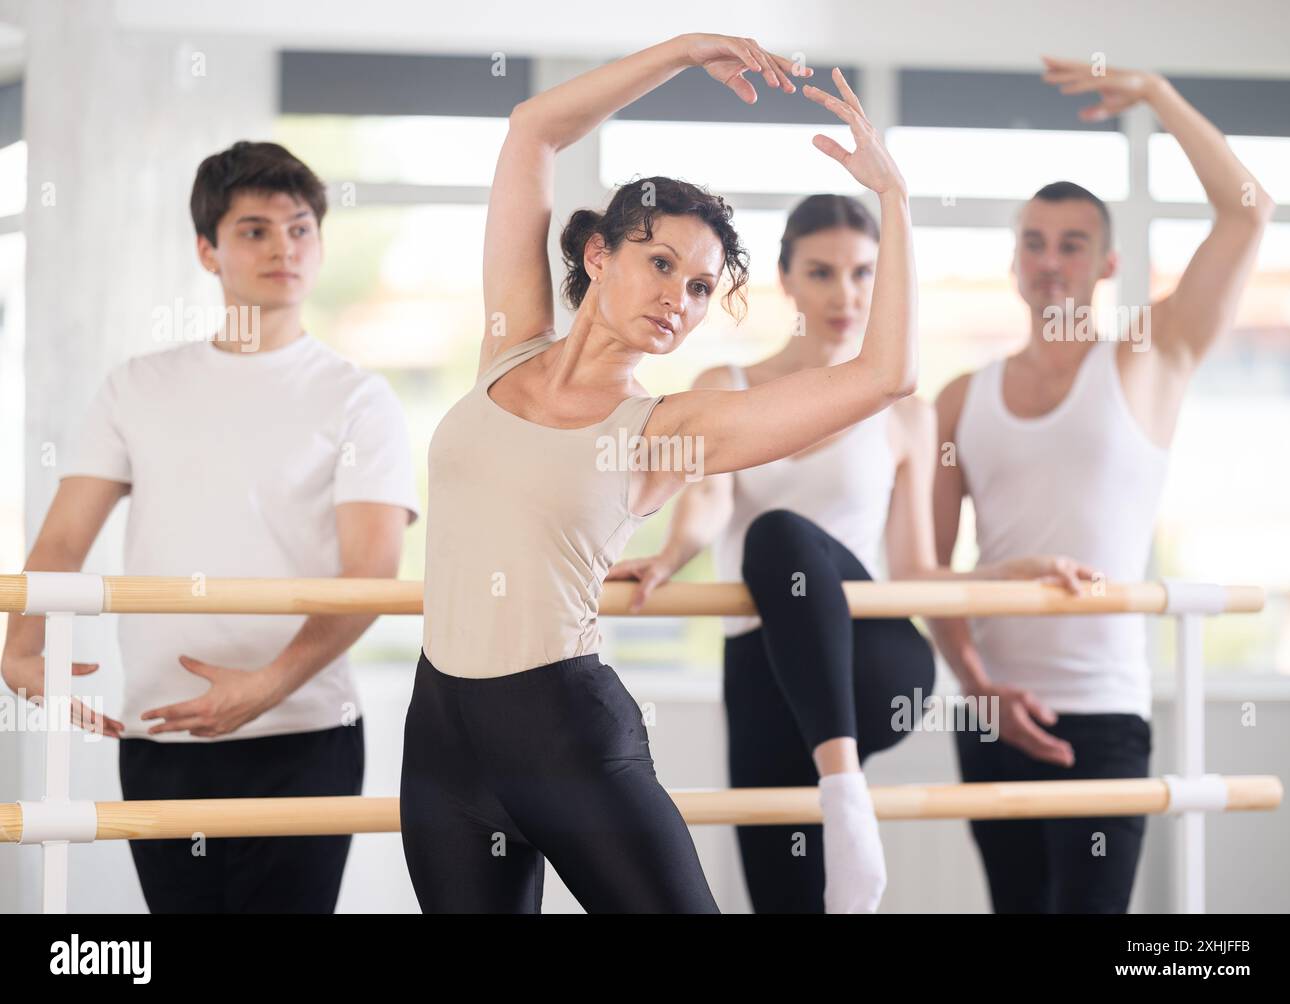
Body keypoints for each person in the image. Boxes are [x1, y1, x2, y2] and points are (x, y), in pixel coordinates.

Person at [400, 32, 918, 913]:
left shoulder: (666, 429)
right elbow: (532, 131)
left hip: (565, 737)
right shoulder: (507, 343)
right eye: (661, 264)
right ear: (599, 256)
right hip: (439, 741)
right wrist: (681, 53)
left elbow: (883, 376)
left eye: (701, 288)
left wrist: (893, 195)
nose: (677, 299)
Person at [608, 193, 1095, 913]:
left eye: (864, 273)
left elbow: (916, 569)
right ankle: (845, 802)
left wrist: (1012, 572)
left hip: (873, 663)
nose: (847, 294)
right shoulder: (728, 389)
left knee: (780, 533)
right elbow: (705, 500)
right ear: (785, 278)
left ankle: (843, 789)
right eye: (823, 272)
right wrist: (668, 556)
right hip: (765, 674)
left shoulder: (906, 412)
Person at [0, 141, 421, 913]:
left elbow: (372, 574)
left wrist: (264, 687)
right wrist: (18, 649)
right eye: (255, 230)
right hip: (162, 738)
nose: (283, 248)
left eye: (300, 229)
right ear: (208, 250)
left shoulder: (359, 399)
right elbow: (62, 542)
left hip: (305, 735)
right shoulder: (138, 385)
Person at [931, 57, 1275, 913]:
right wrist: (977, 688)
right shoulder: (959, 398)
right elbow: (929, 576)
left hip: (1104, 712)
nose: (1051, 262)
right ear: (1014, 261)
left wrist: (1158, 96)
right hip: (989, 711)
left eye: (1072, 243)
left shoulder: (1150, 356)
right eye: (1034, 243)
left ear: (1107, 262)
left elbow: (1247, 211)